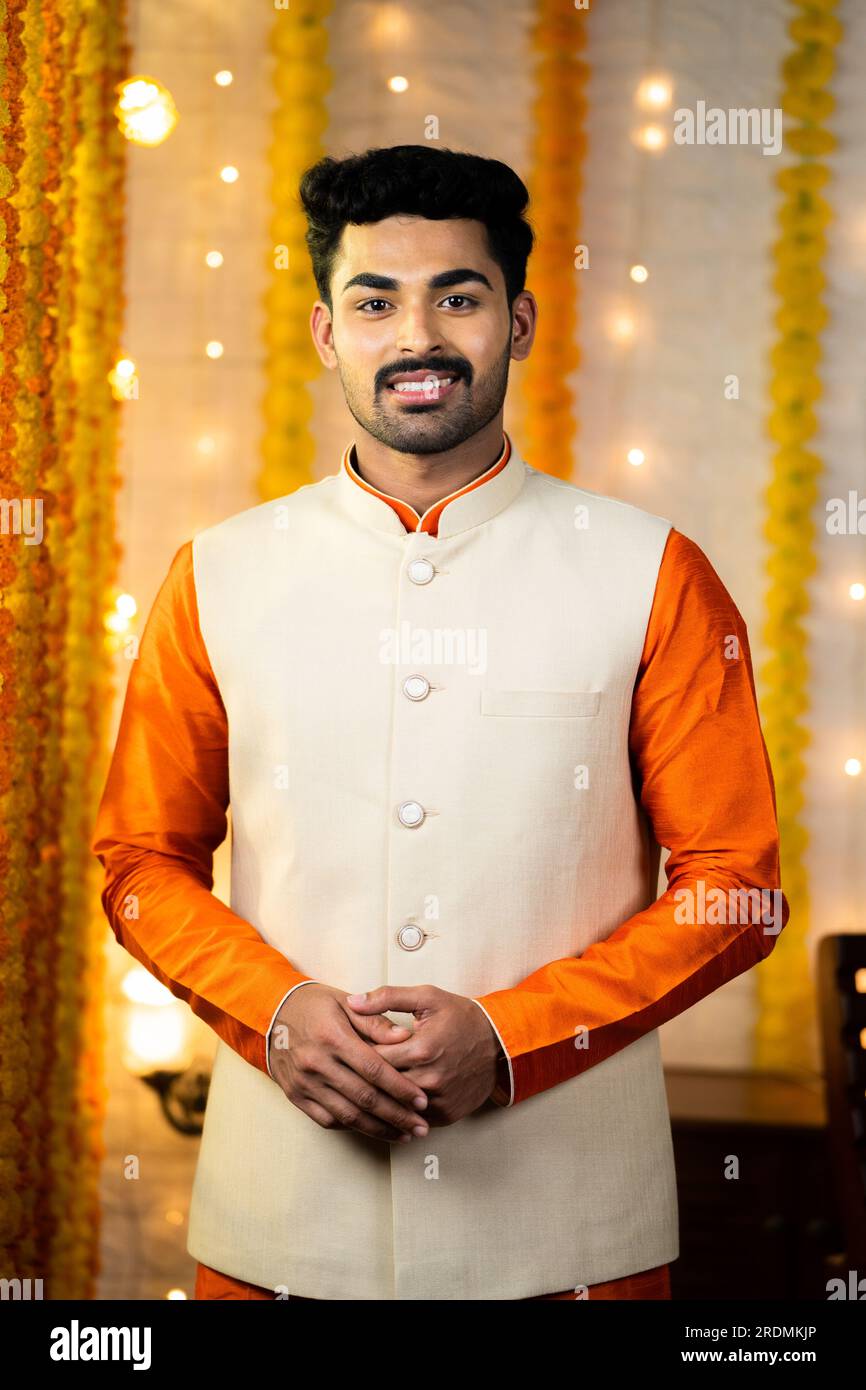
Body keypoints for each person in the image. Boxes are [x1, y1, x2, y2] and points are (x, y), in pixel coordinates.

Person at [92, 144, 789, 1301]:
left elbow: (733, 882)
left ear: (515, 320)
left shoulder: (650, 571)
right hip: (279, 1227)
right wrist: (273, 1013)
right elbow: (139, 860)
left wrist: (512, 1036)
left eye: (454, 297)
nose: (414, 336)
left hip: (570, 1236)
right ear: (326, 332)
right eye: (374, 301)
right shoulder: (215, 573)